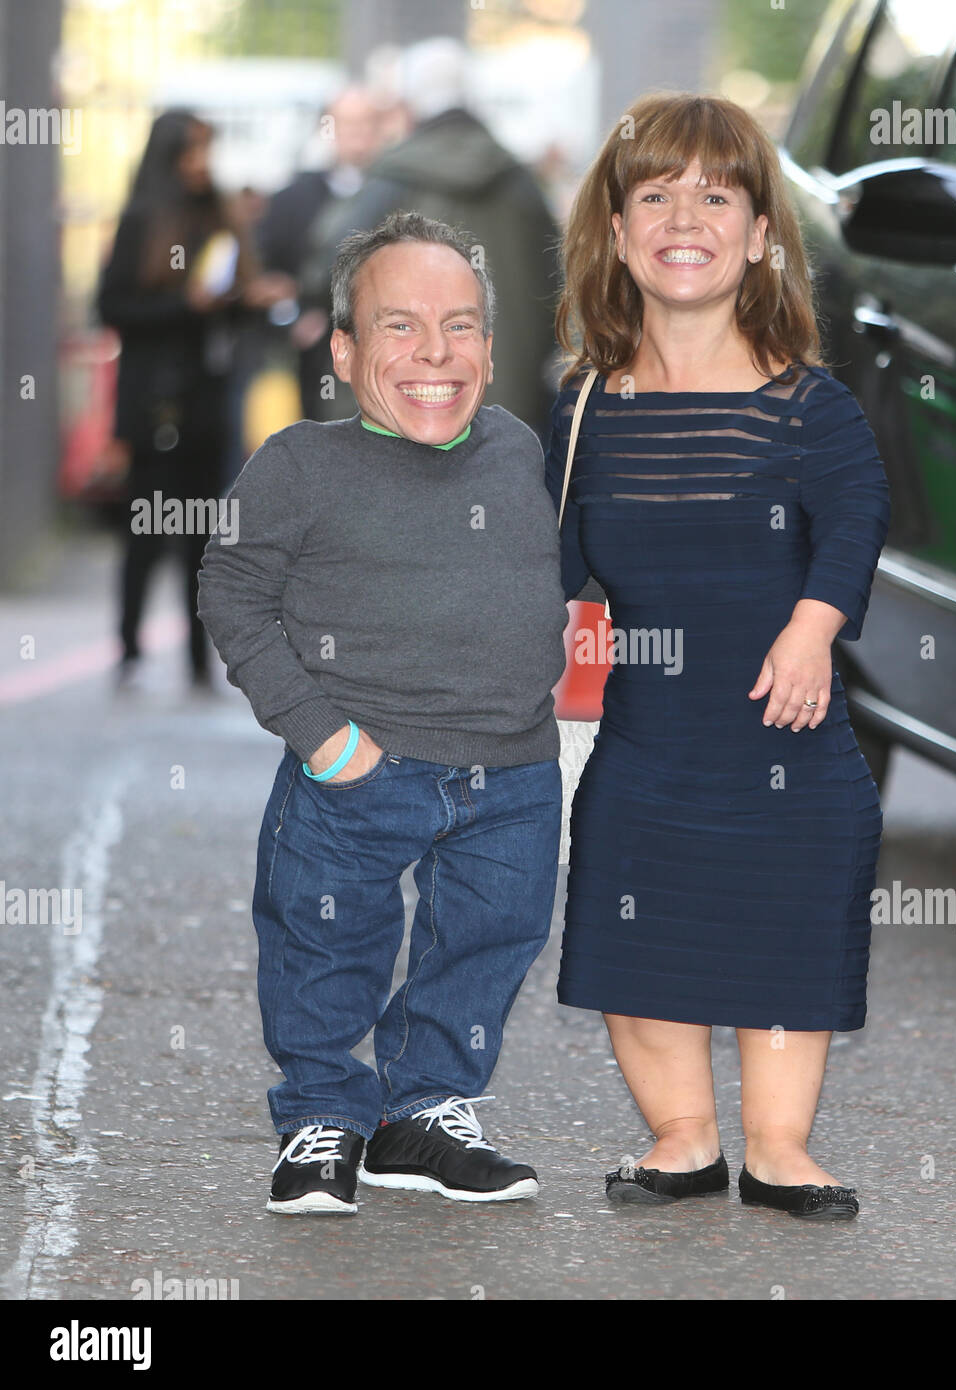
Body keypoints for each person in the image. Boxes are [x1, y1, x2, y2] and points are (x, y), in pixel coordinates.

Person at [545, 94, 891, 1220]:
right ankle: (681, 1138)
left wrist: (813, 625)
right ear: (614, 230)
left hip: (785, 737)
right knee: (633, 923)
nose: (682, 215)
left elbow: (857, 514)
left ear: (758, 235)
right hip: (649, 742)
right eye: (653, 193)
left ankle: (780, 1147)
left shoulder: (808, 406)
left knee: (785, 924)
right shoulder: (586, 406)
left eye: (714, 194)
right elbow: (545, 566)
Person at [197, 211, 569, 1215]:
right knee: (325, 941)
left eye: (459, 327)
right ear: (346, 348)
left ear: (490, 349)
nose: (434, 353)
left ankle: (423, 1112)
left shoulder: (519, 451)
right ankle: (322, 1113)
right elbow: (230, 591)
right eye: (398, 327)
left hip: (511, 770)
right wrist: (319, 734)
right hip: (354, 763)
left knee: (488, 939)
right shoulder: (297, 465)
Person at [299, 38, 561, 442]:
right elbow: (560, 284)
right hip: (511, 412)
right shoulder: (521, 183)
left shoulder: (391, 180)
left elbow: (326, 269)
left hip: (406, 405)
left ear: (409, 103)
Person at [97, 109, 258, 688]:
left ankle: (196, 661)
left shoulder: (217, 214)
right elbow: (111, 306)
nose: (200, 166)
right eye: (190, 154)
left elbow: (229, 296)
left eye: (204, 153)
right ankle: (129, 650)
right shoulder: (141, 219)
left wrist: (245, 298)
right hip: (152, 401)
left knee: (202, 534)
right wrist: (182, 307)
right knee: (144, 530)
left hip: (205, 398)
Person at [255, 87, 384, 422]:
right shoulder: (293, 199)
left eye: (367, 124)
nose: (358, 136)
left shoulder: (398, 193)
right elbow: (269, 276)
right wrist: (292, 318)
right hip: (316, 365)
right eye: (347, 124)